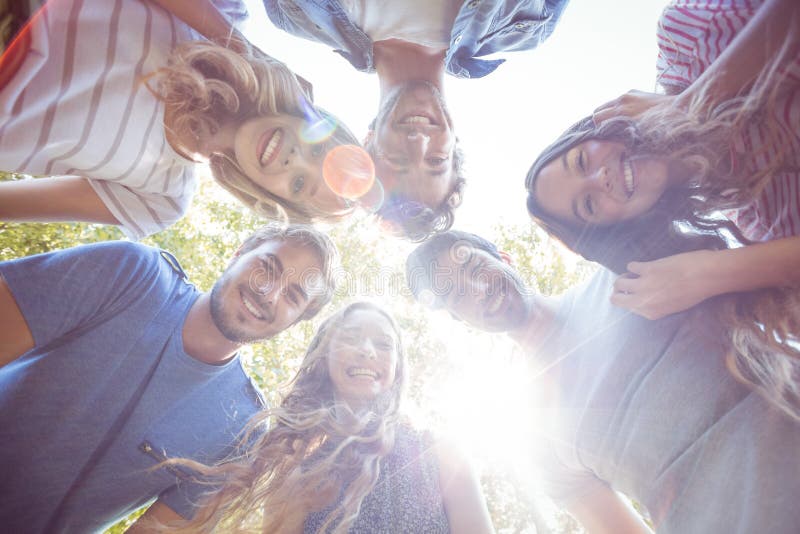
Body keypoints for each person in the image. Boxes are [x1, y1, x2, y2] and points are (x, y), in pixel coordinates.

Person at [406, 230, 800, 533]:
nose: (478, 289)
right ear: (462, 320)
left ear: (505, 258)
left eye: (475, 268)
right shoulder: (535, 435)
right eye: (457, 296)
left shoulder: (623, 277)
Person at [0, 223, 338, 532]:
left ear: (295, 320)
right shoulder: (132, 274)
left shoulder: (241, 432)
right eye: (267, 267)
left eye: (293, 296)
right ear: (238, 253)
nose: (269, 292)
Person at [524, 0, 800, 319]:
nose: (600, 180)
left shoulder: (684, 40)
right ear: (622, 227)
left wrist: (690, 106)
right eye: (589, 205)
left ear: (596, 132)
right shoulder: (763, 220)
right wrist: (709, 273)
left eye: (581, 161)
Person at [0, 0, 359, 240]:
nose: (294, 160)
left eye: (298, 184)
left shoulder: (163, 200)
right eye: (317, 151)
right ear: (311, 116)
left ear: (271, 200)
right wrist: (247, 53)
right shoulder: (227, 16)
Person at [129, 301, 494, 533]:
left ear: (396, 369)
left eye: (384, 344)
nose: (368, 351)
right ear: (324, 356)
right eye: (352, 338)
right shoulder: (297, 472)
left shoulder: (441, 453)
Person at [263, 0, 570, 240]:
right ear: (454, 143)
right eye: (437, 160)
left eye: (397, 159)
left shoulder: (295, 13)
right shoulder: (524, 24)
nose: (419, 141)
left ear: (367, 142)